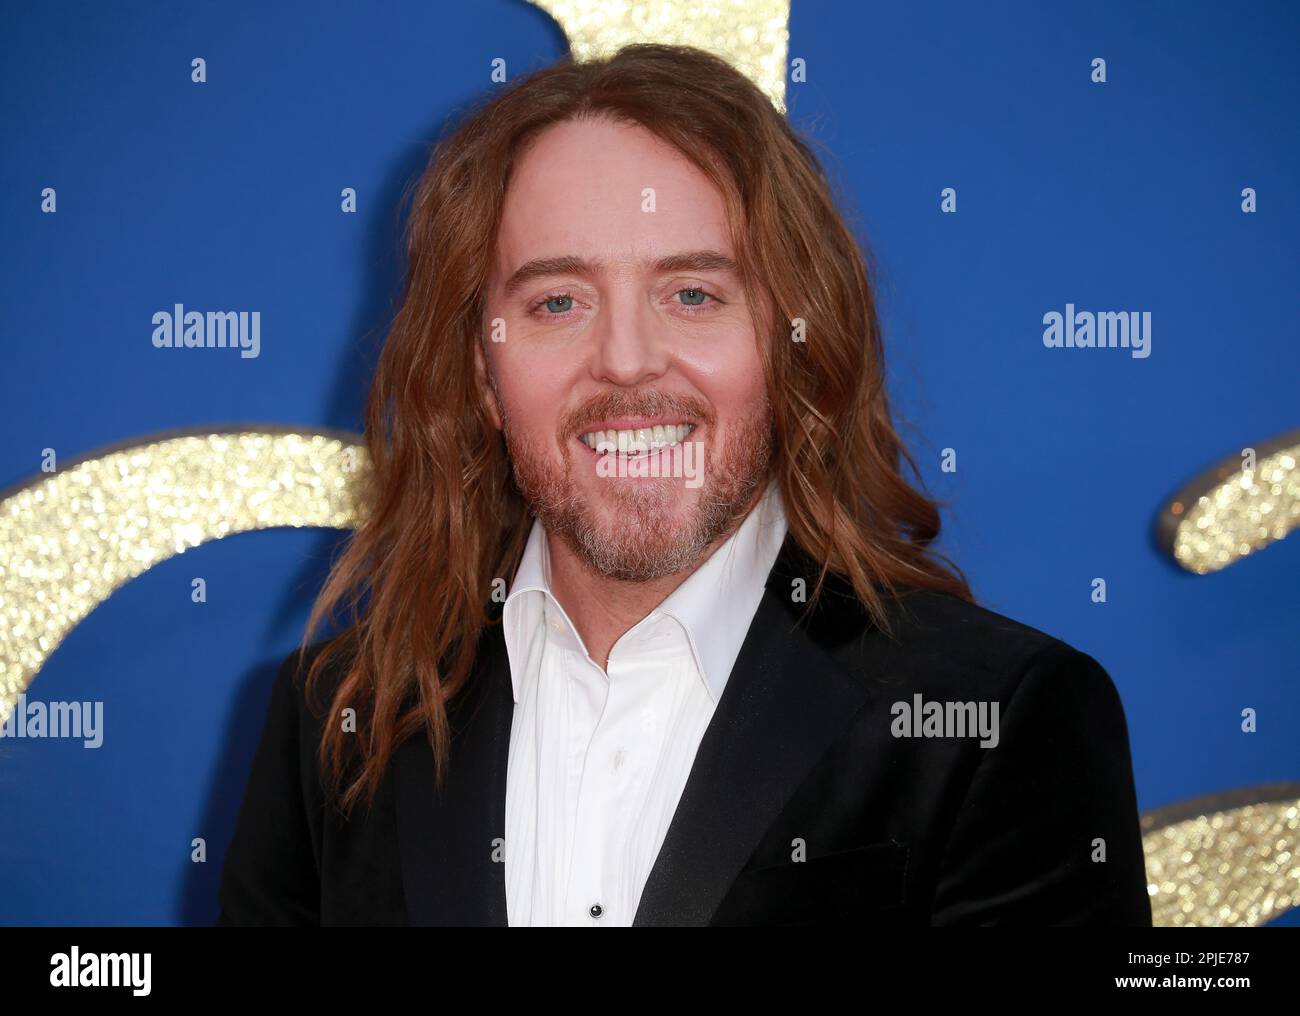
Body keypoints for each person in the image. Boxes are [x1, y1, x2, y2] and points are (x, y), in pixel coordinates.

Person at [216, 43, 1151, 926]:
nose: (626, 363)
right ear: (480, 375)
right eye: (556, 303)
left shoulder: (996, 721)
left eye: (693, 294)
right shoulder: (339, 717)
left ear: (796, 341)